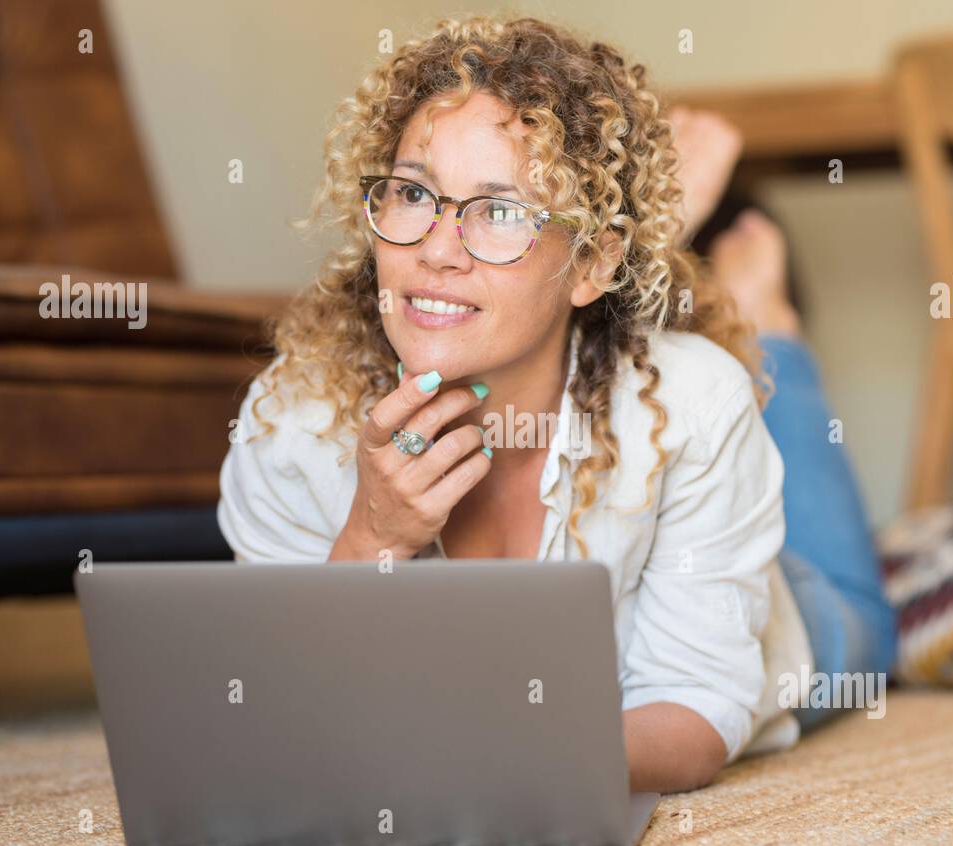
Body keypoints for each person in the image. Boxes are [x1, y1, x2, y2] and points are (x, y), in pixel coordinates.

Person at [217, 16, 895, 795]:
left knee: (868, 624)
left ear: (591, 264)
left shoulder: (695, 402)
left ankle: (771, 323)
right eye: (412, 193)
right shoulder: (292, 421)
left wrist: (487, 757)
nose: (437, 250)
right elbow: (282, 715)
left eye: (499, 211)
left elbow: (692, 715)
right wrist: (370, 536)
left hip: (787, 622)